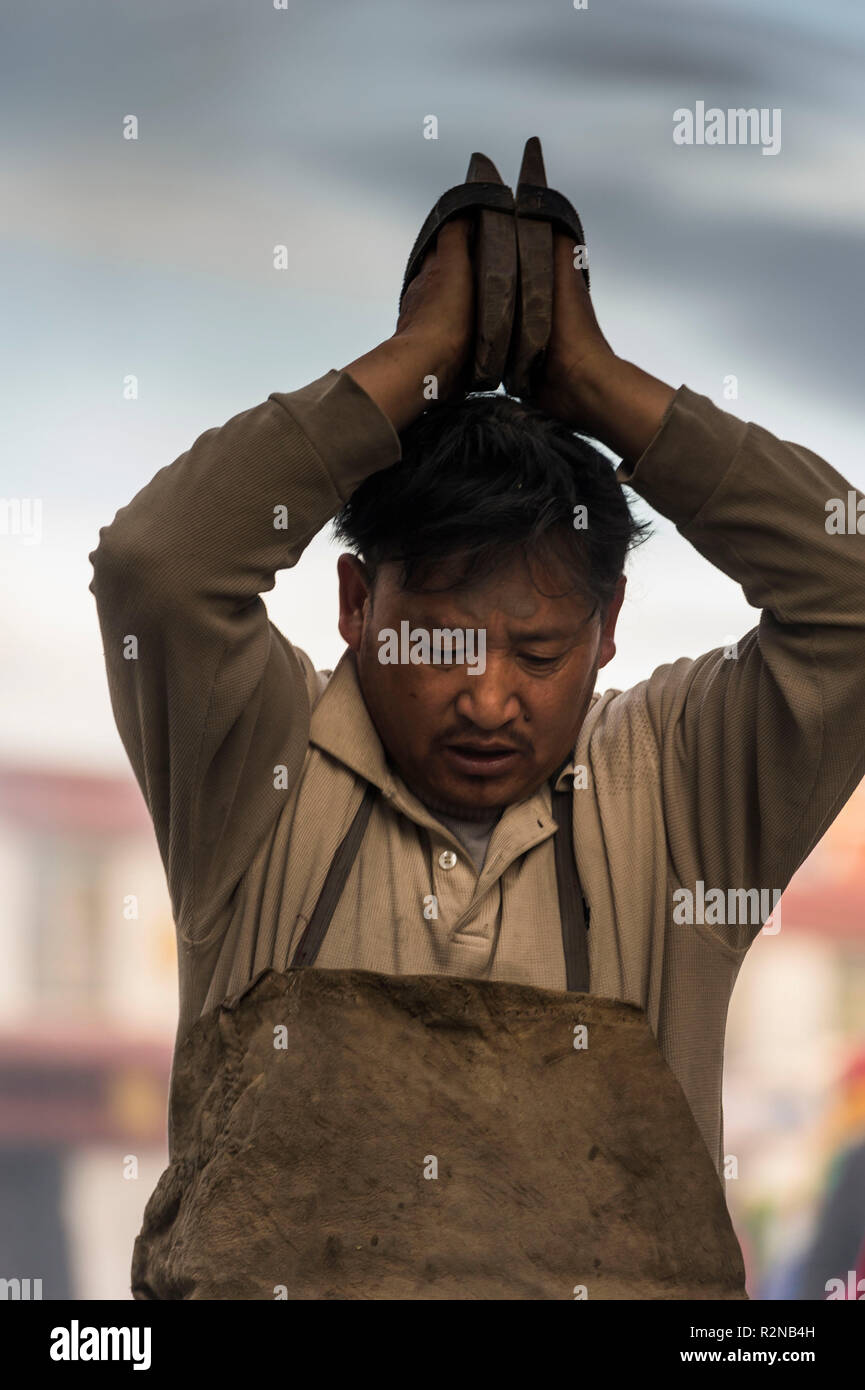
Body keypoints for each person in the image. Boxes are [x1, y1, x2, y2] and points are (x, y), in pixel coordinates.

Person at [90, 214, 865, 1198]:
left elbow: (851, 595)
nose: (487, 699)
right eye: (442, 643)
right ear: (356, 604)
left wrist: (599, 388)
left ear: (608, 625)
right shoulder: (258, 759)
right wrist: (415, 361)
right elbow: (153, 567)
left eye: (539, 650)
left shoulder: (671, 789)